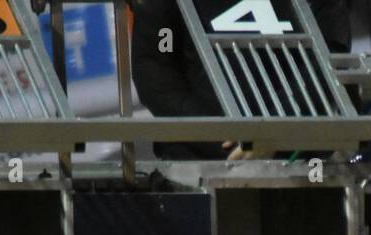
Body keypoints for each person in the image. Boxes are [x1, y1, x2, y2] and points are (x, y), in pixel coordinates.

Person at [130, 0, 352, 160]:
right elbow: (155, 70)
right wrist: (221, 136)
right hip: (198, 164)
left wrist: (274, 131)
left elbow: (328, 60)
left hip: (302, 163)